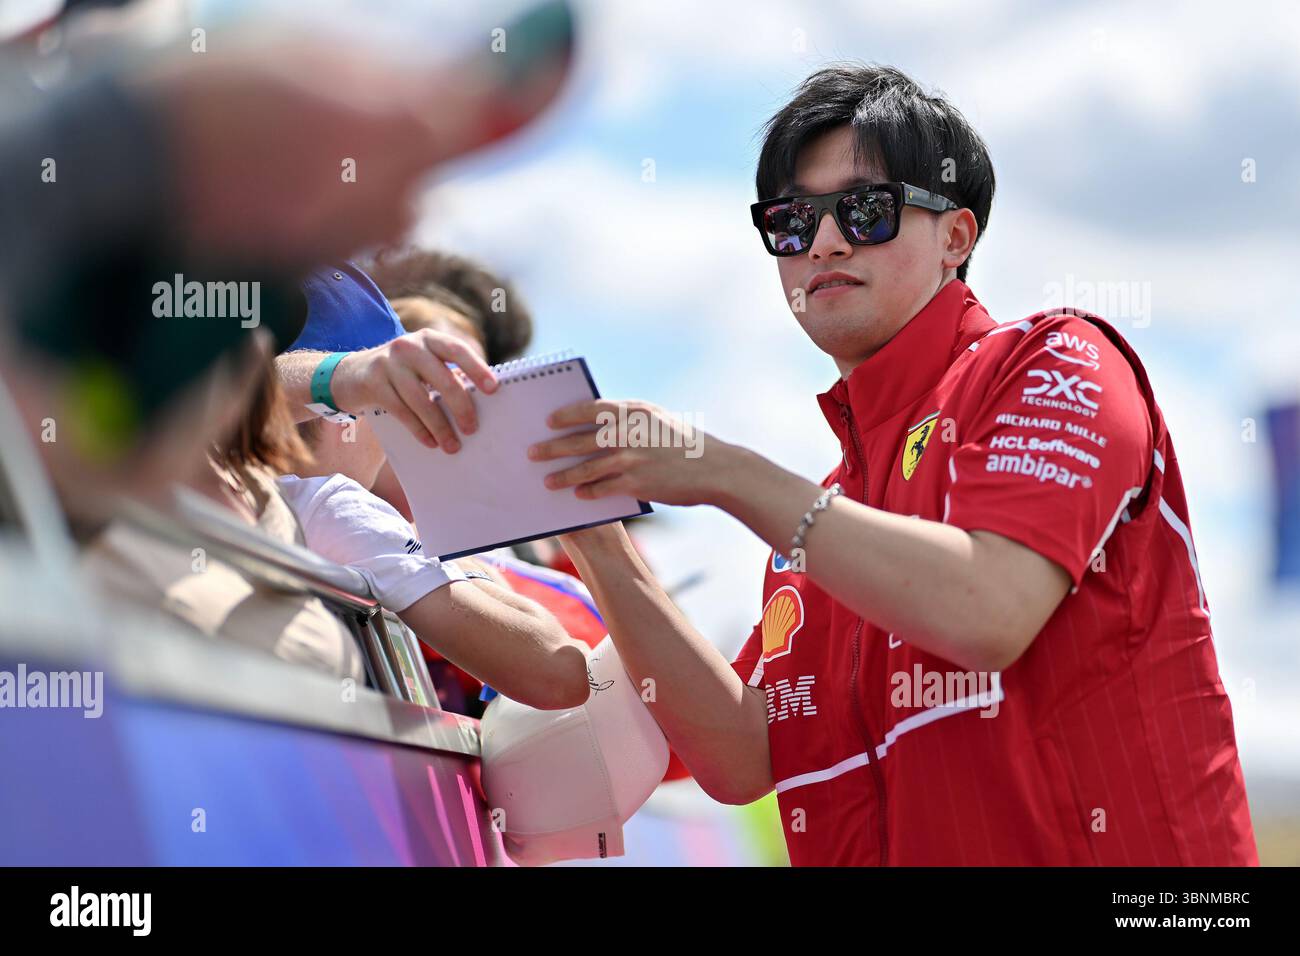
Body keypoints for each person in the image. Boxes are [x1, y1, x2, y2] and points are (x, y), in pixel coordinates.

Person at [522, 65, 1258, 865]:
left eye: (865, 210)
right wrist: (596, 538)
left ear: (956, 237)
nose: (825, 243)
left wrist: (724, 473)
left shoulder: (1055, 360)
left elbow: (988, 609)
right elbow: (739, 761)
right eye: (792, 222)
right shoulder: (815, 525)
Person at [277, 264, 590, 710]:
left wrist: (334, 379)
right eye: (391, 404)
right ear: (346, 413)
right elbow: (560, 672)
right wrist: (456, 561)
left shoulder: (191, 472)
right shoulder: (335, 508)